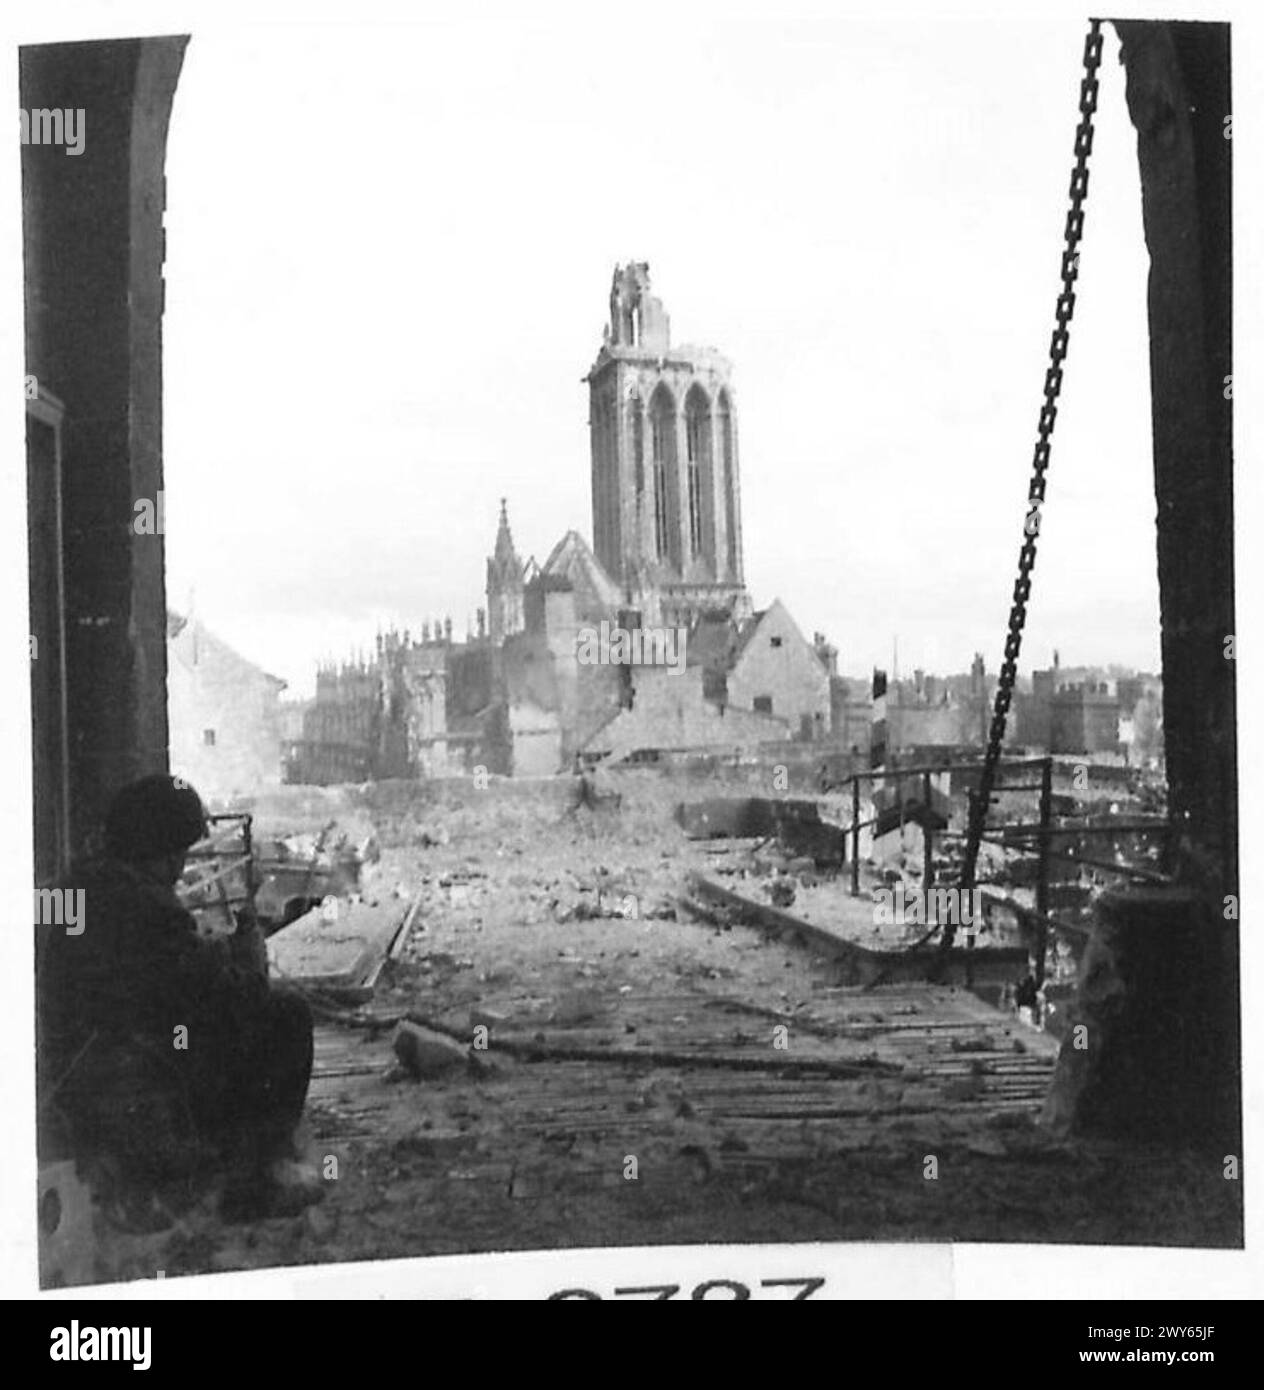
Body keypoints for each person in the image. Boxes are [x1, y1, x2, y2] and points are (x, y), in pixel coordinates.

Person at [37, 774, 322, 1224]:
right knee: (284, 1015)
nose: (179, 866)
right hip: (133, 1083)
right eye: (179, 853)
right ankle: (258, 1176)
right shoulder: (147, 907)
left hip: (66, 1075)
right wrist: (246, 957)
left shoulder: (71, 889)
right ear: (161, 849)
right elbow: (222, 1000)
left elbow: (138, 972)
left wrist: (204, 955)